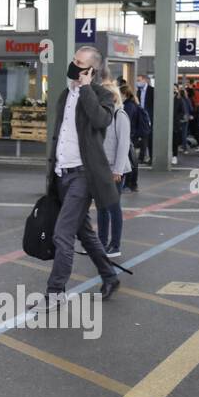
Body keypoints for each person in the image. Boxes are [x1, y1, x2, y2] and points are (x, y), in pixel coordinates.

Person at [44, 46, 121, 305]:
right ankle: (110, 276)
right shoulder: (66, 94)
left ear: (91, 70)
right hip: (61, 173)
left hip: (83, 175)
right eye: (73, 59)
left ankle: (55, 293)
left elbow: (100, 121)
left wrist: (87, 88)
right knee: (85, 233)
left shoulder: (103, 95)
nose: (73, 65)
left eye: (79, 62)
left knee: (62, 234)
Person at [97, 79, 131, 259]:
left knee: (113, 207)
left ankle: (115, 245)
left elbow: (123, 145)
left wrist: (117, 170)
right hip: (101, 168)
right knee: (102, 207)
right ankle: (101, 243)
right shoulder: (102, 116)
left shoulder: (120, 115)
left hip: (114, 170)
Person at [121, 84, 142, 190]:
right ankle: (132, 184)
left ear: (124, 94)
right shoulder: (133, 104)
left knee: (130, 161)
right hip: (132, 135)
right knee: (131, 160)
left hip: (129, 135)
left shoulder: (128, 106)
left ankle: (131, 183)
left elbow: (126, 122)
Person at [133, 74, 155, 164]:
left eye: (139, 80)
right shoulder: (138, 91)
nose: (138, 82)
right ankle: (141, 157)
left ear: (145, 80)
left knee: (149, 138)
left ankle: (150, 157)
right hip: (140, 117)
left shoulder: (152, 91)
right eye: (137, 80)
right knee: (142, 137)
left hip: (149, 117)